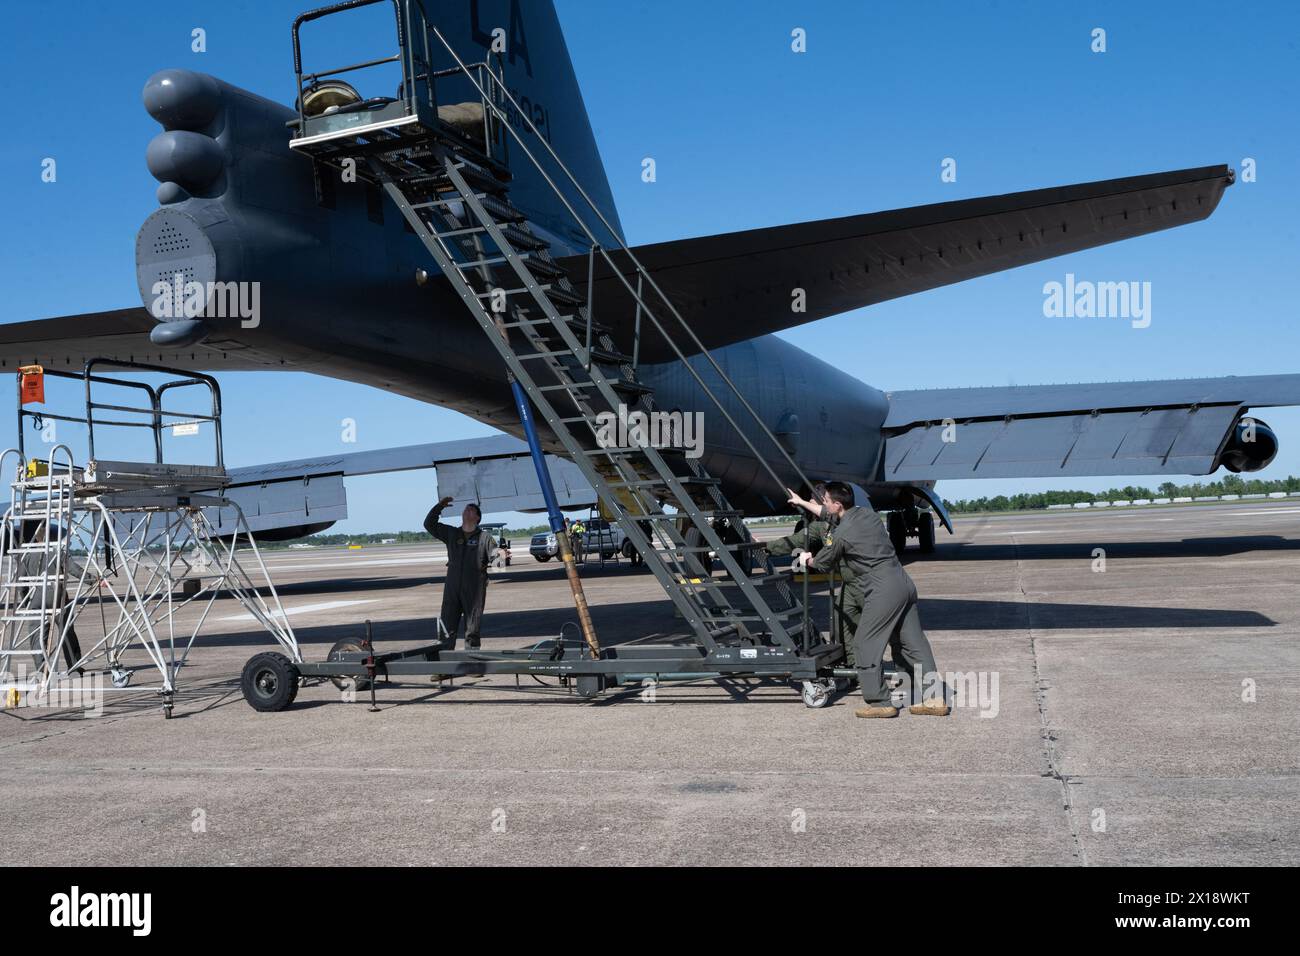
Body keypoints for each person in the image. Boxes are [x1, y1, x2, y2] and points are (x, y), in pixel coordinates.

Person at [787, 482, 948, 718]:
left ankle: (879, 701)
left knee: (865, 644)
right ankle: (935, 698)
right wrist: (801, 503)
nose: (824, 504)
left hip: (882, 589)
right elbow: (830, 515)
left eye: (826, 501)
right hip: (903, 582)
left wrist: (806, 559)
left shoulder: (841, 534)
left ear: (838, 504)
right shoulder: (867, 515)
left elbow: (823, 563)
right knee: (914, 643)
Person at [424, 496, 498, 649]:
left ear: (477, 517)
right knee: (446, 626)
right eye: (466, 509)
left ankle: (472, 663)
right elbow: (429, 524)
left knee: (473, 627)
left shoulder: (486, 538)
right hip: (452, 587)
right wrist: (439, 507)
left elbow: (499, 564)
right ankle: (444, 667)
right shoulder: (451, 533)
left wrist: (502, 555)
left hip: (474, 588)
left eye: (472, 509)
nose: (467, 510)